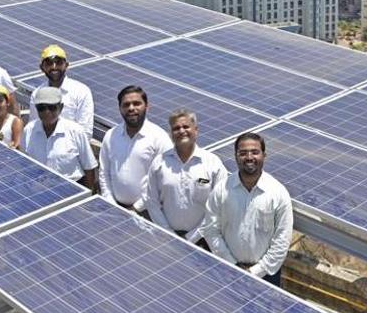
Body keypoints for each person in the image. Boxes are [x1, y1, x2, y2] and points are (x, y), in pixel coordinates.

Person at [201, 132, 293, 286]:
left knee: (264, 311)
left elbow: (282, 239)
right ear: (236, 156)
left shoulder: (278, 193)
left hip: (266, 274)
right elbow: (211, 230)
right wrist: (232, 265)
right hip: (227, 270)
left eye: (255, 152)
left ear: (264, 155)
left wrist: (256, 271)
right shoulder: (221, 190)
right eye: (243, 153)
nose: (249, 157)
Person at [145, 109, 226, 248]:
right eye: (176, 128)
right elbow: (152, 201)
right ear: (171, 134)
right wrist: (167, 233)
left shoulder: (213, 164)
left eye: (186, 127)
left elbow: (218, 207)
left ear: (196, 130)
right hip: (165, 239)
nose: (181, 131)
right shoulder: (159, 163)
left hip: (203, 241)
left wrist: (192, 237)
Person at [99, 86, 172, 215]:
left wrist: (136, 208)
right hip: (113, 207)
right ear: (120, 108)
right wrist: (109, 201)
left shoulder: (159, 138)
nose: (131, 108)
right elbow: (104, 172)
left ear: (147, 106)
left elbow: (163, 181)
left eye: (137, 103)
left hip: (147, 212)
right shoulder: (111, 136)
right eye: (126, 105)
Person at [22, 86, 98, 191]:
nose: (47, 112)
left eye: (52, 107)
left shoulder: (75, 131)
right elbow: (23, 162)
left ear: (61, 107)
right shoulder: (29, 130)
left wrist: (88, 196)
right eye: (42, 108)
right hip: (38, 188)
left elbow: (89, 167)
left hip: (70, 188)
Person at [29, 45, 94, 138]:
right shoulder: (37, 94)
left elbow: (85, 132)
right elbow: (34, 127)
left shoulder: (81, 91)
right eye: (49, 63)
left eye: (59, 63)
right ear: (42, 68)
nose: (54, 67)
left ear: (66, 65)